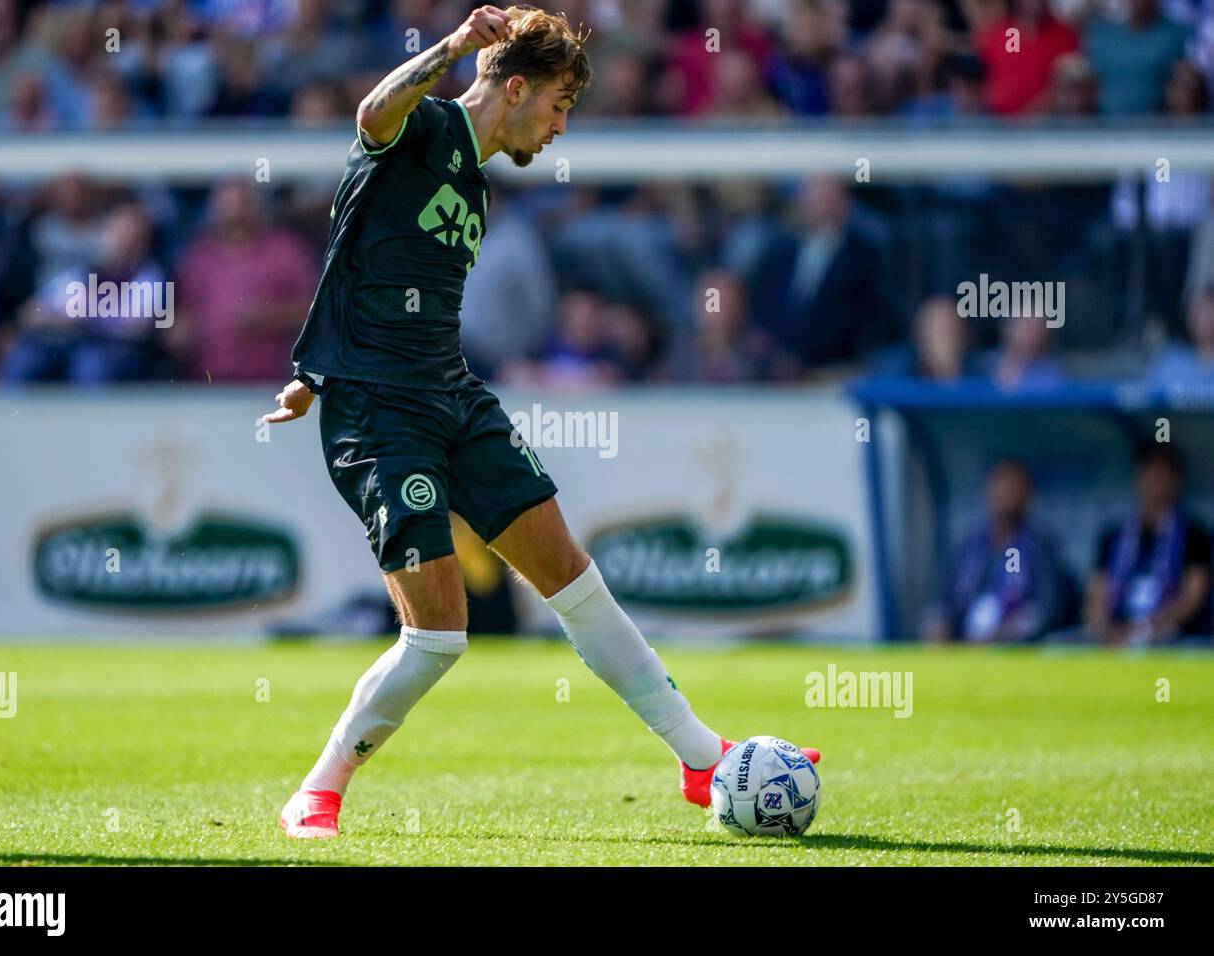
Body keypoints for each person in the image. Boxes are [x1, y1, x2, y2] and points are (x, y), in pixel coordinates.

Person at [261, 5, 819, 839]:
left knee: (570, 574)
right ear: (514, 87)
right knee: (439, 637)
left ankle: (701, 757)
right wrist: (453, 45)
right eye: (558, 107)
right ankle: (320, 787)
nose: (561, 129)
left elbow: (356, 253)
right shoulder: (423, 129)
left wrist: (312, 365)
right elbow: (370, 117)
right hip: (379, 414)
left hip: (450, 395)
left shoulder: (474, 183)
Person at [923, 460, 1071, 643]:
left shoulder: (1040, 545)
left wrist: (1005, 633)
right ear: (989, 491)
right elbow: (941, 600)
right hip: (963, 645)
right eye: (1002, 486)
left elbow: (1048, 608)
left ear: (1028, 495)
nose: (1008, 495)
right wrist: (939, 624)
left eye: (1015, 488)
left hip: (1014, 648)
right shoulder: (970, 545)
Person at [1085, 446, 1212, 645]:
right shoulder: (1113, 535)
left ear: (1176, 480)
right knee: (1064, 644)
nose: (1156, 482)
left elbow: (1192, 597)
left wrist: (1148, 628)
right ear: (1138, 477)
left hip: (1171, 634)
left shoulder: (1194, 535)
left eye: (1163, 475)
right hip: (1117, 630)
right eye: (1150, 474)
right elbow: (1096, 594)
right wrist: (1106, 630)